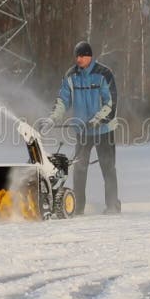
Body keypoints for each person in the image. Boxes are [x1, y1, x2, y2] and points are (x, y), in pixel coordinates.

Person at [37, 41, 121, 215]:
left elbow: (110, 104)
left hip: (104, 130)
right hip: (82, 131)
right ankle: (78, 208)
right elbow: (63, 101)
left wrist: (97, 120)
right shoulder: (71, 75)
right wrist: (52, 119)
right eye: (77, 56)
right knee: (79, 168)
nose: (79, 59)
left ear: (90, 56)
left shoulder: (104, 74)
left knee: (108, 167)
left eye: (82, 56)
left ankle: (113, 206)